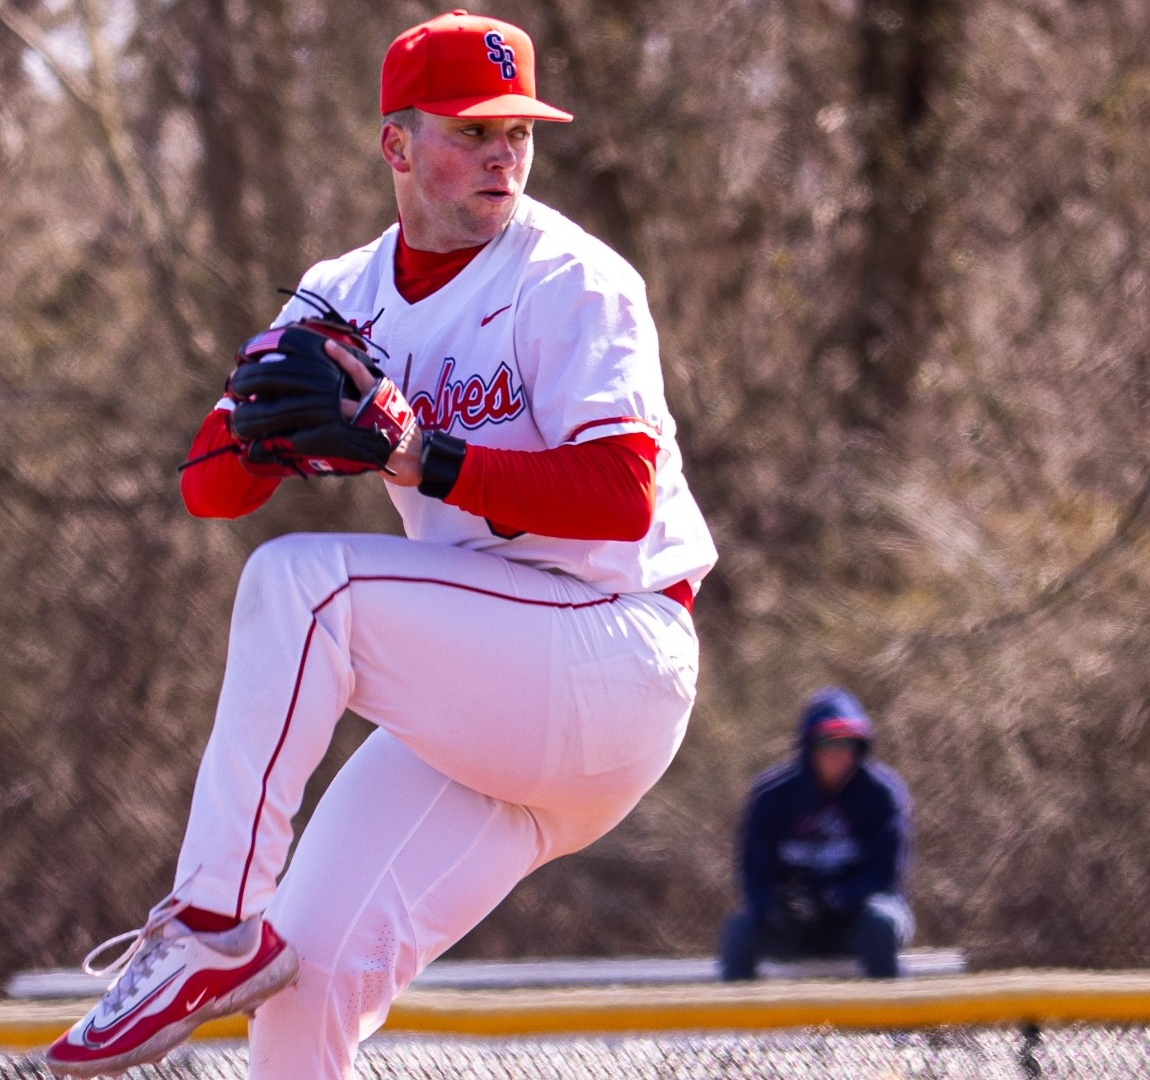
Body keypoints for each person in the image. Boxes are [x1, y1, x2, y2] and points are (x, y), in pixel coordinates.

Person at [44, 10, 716, 1078]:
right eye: (471, 129)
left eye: (520, 131)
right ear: (396, 145)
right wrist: (269, 438)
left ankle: (212, 922)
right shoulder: (344, 292)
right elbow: (209, 488)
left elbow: (625, 494)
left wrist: (420, 456)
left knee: (304, 587)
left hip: (612, 651)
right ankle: (244, 952)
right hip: (483, 693)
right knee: (303, 993)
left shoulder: (571, 279)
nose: (504, 152)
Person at [719, 688, 912, 980]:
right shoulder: (770, 797)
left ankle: (892, 1021)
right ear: (808, 745)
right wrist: (778, 907)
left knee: (881, 920)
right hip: (791, 927)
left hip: (856, 921)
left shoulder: (882, 795)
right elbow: (754, 873)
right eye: (827, 741)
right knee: (739, 929)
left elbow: (885, 874)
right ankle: (736, 1023)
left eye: (846, 742)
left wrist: (833, 898)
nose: (837, 752)